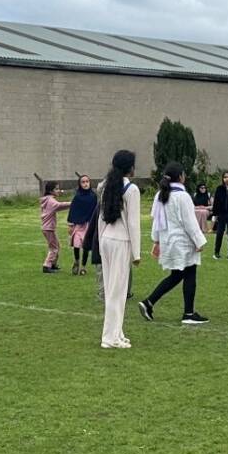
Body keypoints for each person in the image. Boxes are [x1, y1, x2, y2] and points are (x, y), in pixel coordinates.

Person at [139, 161, 209, 325]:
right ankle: (189, 313)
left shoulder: (160, 195)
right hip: (182, 241)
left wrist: (156, 240)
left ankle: (149, 302)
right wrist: (199, 241)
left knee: (177, 275)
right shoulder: (182, 196)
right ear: (180, 177)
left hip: (168, 241)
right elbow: (189, 222)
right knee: (189, 273)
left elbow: (156, 221)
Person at [98, 149, 142, 348]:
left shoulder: (106, 185)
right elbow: (133, 223)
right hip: (121, 241)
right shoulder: (131, 190)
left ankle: (117, 332)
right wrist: (137, 253)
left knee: (112, 289)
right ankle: (110, 338)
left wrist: (100, 243)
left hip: (107, 238)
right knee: (118, 291)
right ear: (129, 168)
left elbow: (100, 218)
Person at [67, 174, 98, 275]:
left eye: (87, 181)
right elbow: (73, 210)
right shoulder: (77, 197)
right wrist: (70, 224)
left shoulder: (93, 196)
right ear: (80, 184)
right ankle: (76, 261)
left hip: (88, 225)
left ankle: (83, 267)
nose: (85, 184)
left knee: (86, 246)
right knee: (76, 244)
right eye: (83, 182)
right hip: (78, 225)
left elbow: (95, 210)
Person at [39, 181, 65, 273]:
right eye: (56, 189)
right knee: (54, 248)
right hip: (49, 228)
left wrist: (60, 192)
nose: (58, 190)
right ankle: (46, 266)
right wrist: (72, 203)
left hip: (48, 228)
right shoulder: (51, 201)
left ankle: (53, 264)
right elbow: (59, 206)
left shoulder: (47, 199)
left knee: (57, 246)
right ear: (51, 191)